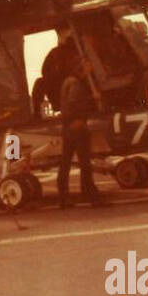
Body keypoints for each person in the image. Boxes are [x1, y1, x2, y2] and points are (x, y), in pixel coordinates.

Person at [57, 45, 105, 208]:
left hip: (67, 128)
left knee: (65, 163)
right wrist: (93, 98)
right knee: (85, 163)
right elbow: (75, 104)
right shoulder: (76, 84)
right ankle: (91, 195)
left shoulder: (67, 82)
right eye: (86, 65)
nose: (90, 67)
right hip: (77, 127)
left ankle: (63, 197)